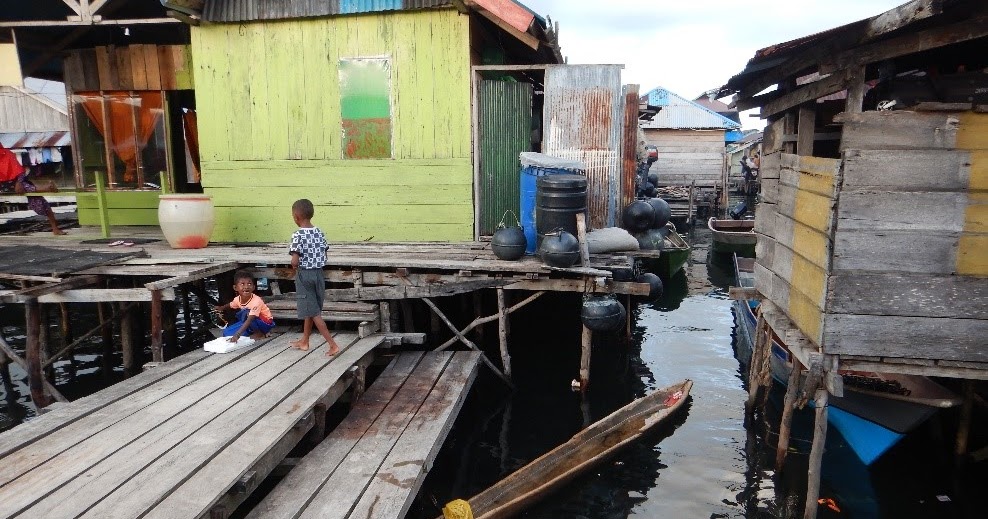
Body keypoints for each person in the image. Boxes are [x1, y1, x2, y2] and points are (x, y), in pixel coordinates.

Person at [288, 199, 341, 356]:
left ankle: (332, 345)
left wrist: (294, 265)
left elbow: (295, 259)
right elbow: (324, 251)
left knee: (314, 313)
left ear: (296, 216)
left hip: (305, 275)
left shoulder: (298, 234)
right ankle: (305, 341)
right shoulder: (319, 232)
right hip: (319, 274)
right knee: (311, 309)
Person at [0, 144, 65, 235]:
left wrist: (19, 183)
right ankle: (47, 187)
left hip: (14, 183)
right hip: (3, 186)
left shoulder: (7, 154)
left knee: (40, 203)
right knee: (30, 190)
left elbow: (19, 171)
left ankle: (55, 228)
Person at [214, 270, 276, 342]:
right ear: (235, 288)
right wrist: (221, 308)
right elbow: (230, 305)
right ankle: (251, 330)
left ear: (253, 287)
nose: (246, 287)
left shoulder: (256, 301)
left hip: (264, 323)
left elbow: (250, 319)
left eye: (249, 284)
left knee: (246, 313)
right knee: (227, 333)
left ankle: (259, 333)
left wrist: (237, 335)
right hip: (250, 323)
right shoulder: (238, 299)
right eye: (242, 284)